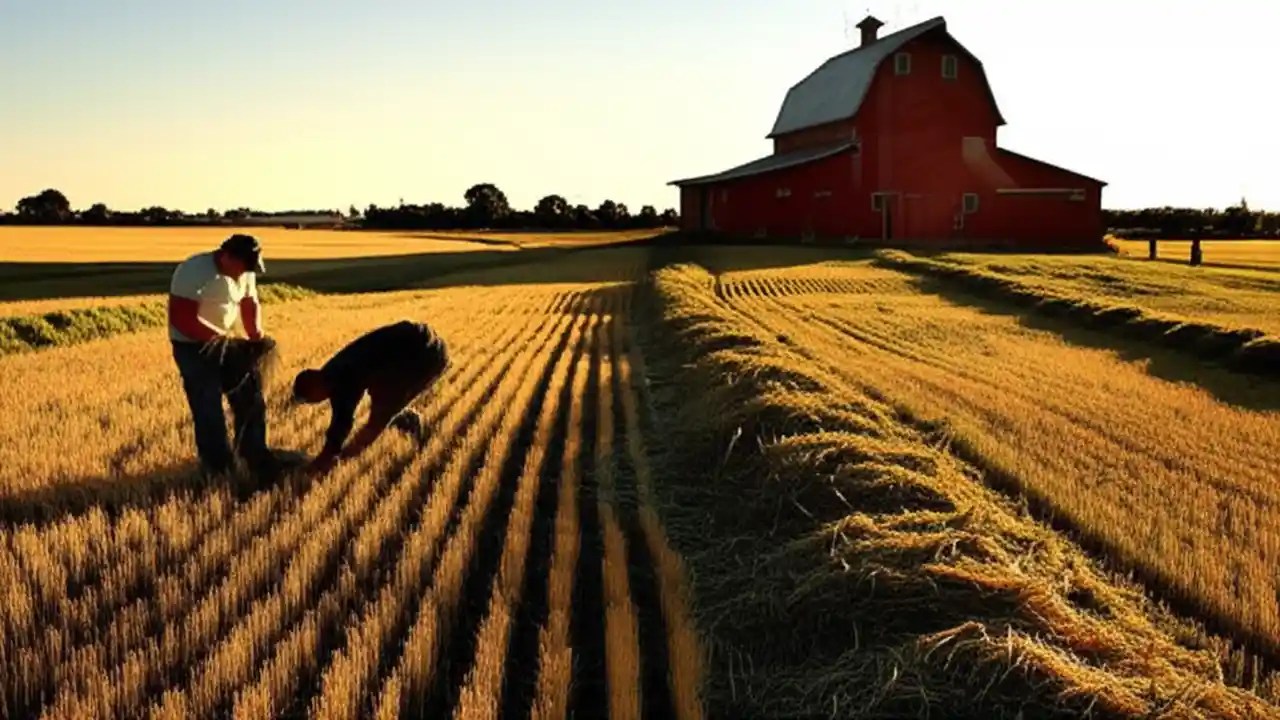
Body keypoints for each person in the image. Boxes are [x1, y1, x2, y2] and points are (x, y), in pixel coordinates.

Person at [169, 233, 281, 481]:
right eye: (242, 268)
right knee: (208, 406)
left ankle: (254, 454)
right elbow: (182, 319)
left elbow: (250, 303)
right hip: (192, 347)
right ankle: (217, 467)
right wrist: (221, 340)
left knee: (251, 399)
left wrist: (255, 338)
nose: (244, 275)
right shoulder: (193, 271)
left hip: (226, 343)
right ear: (227, 256)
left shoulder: (246, 271)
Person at [292, 320, 449, 476]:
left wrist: (333, 458)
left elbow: (342, 422)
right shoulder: (331, 373)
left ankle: (410, 425)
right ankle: (406, 420)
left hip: (423, 354)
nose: (312, 403)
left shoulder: (344, 376)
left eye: (309, 399)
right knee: (385, 402)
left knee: (381, 412)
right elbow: (341, 422)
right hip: (412, 341)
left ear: (315, 386)